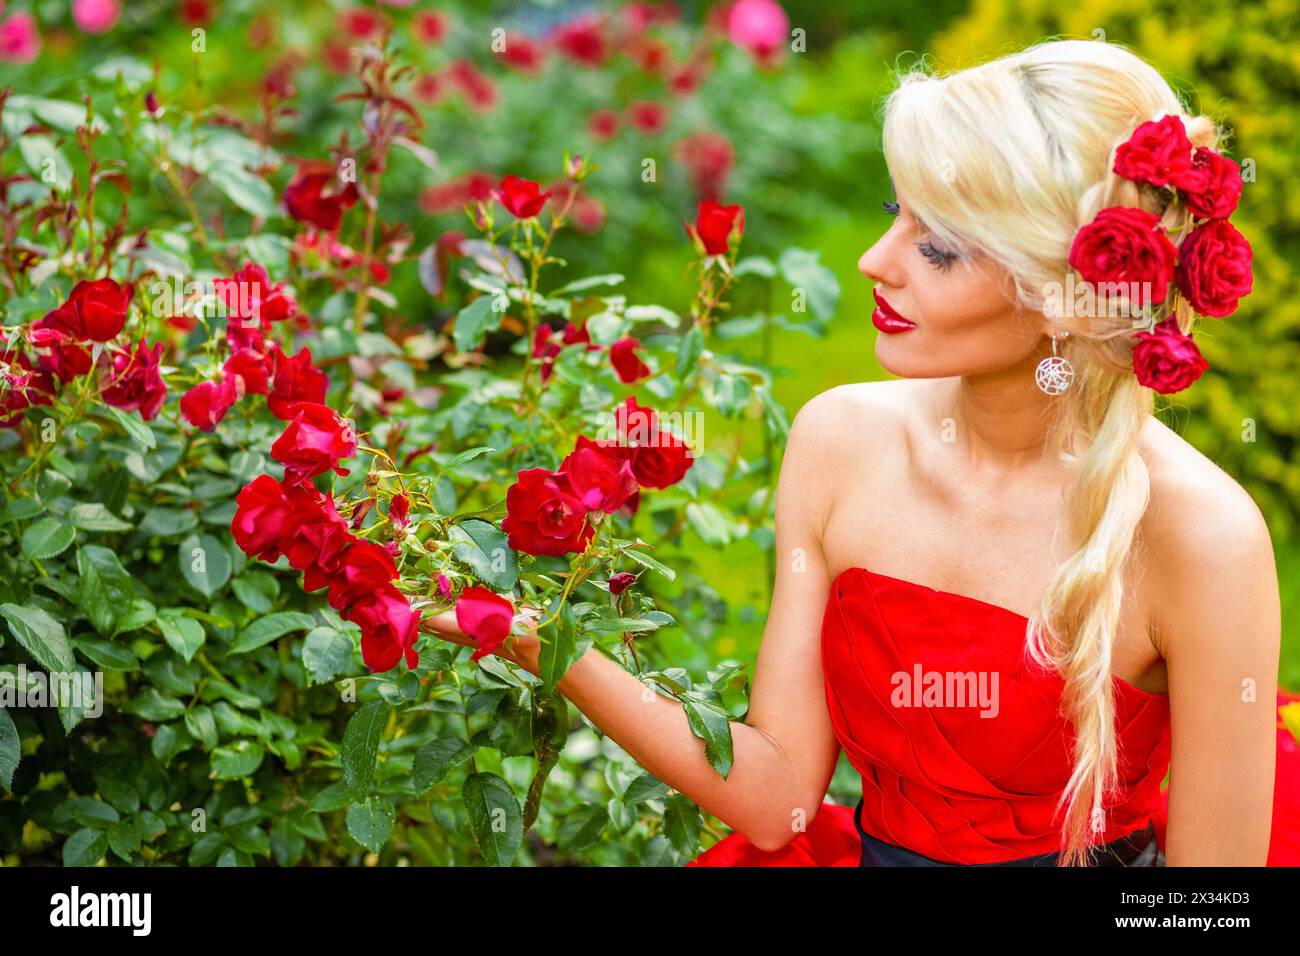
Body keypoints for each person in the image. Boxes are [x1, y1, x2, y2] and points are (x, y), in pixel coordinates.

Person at [426, 38, 1286, 867]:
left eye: (937, 247)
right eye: (894, 216)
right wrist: (552, 648)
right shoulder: (839, 438)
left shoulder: (1202, 537)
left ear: (1065, 294)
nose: (876, 262)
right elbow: (778, 802)